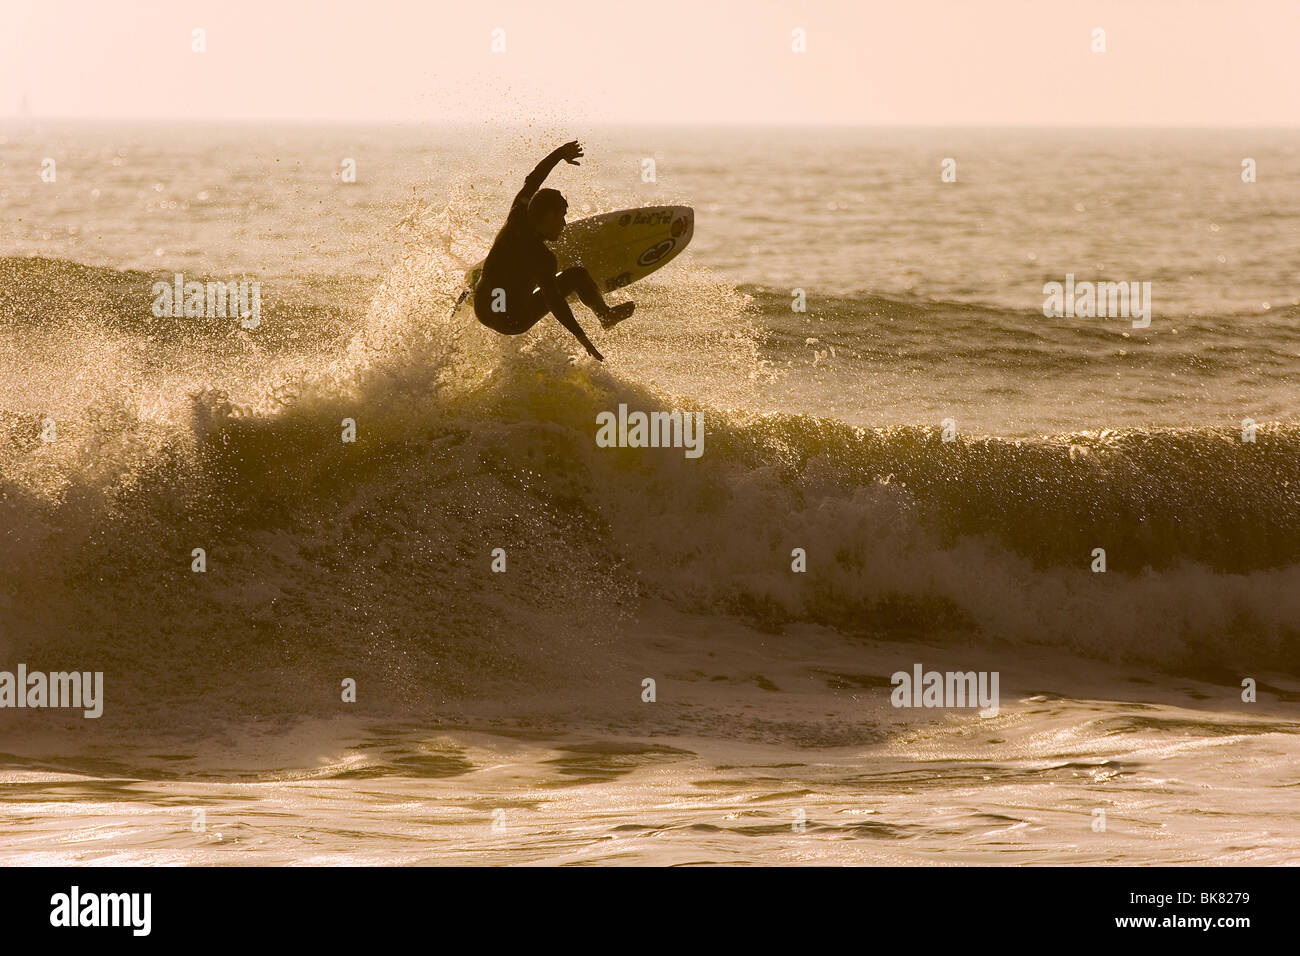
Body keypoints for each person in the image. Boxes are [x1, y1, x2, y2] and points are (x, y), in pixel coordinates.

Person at [473, 140, 634, 362]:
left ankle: (473, 288)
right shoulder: (542, 258)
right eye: (561, 217)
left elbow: (533, 180)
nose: (564, 224)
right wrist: (585, 340)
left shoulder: (517, 215)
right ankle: (604, 315)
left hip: (483, 308)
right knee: (576, 275)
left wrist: (559, 154)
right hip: (511, 321)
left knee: (508, 271)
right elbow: (555, 303)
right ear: (548, 216)